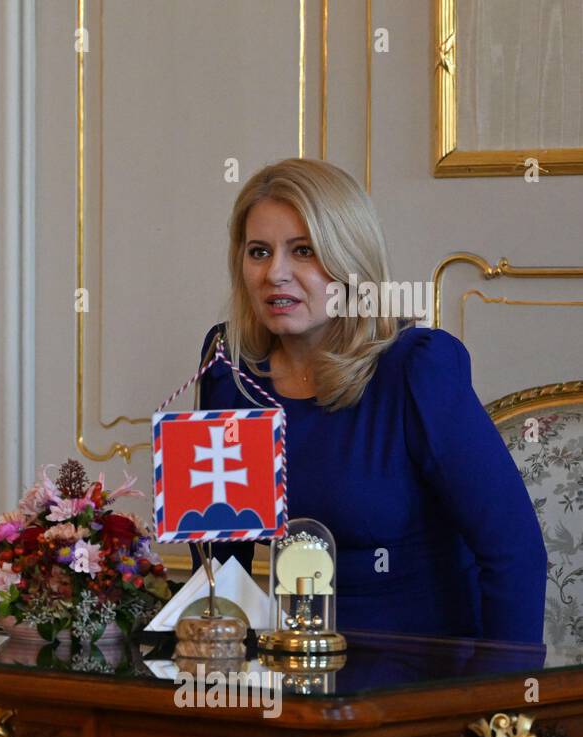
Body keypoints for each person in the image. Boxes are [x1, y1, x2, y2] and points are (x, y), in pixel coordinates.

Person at [196, 157, 546, 645]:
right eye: (258, 252)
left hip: (416, 676)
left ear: (349, 260)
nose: (275, 273)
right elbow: (222, 561)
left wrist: (506, 705)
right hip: (288, 668)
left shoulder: (416, 370)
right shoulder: (230, 369)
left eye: (303, 251)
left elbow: (515, 552)